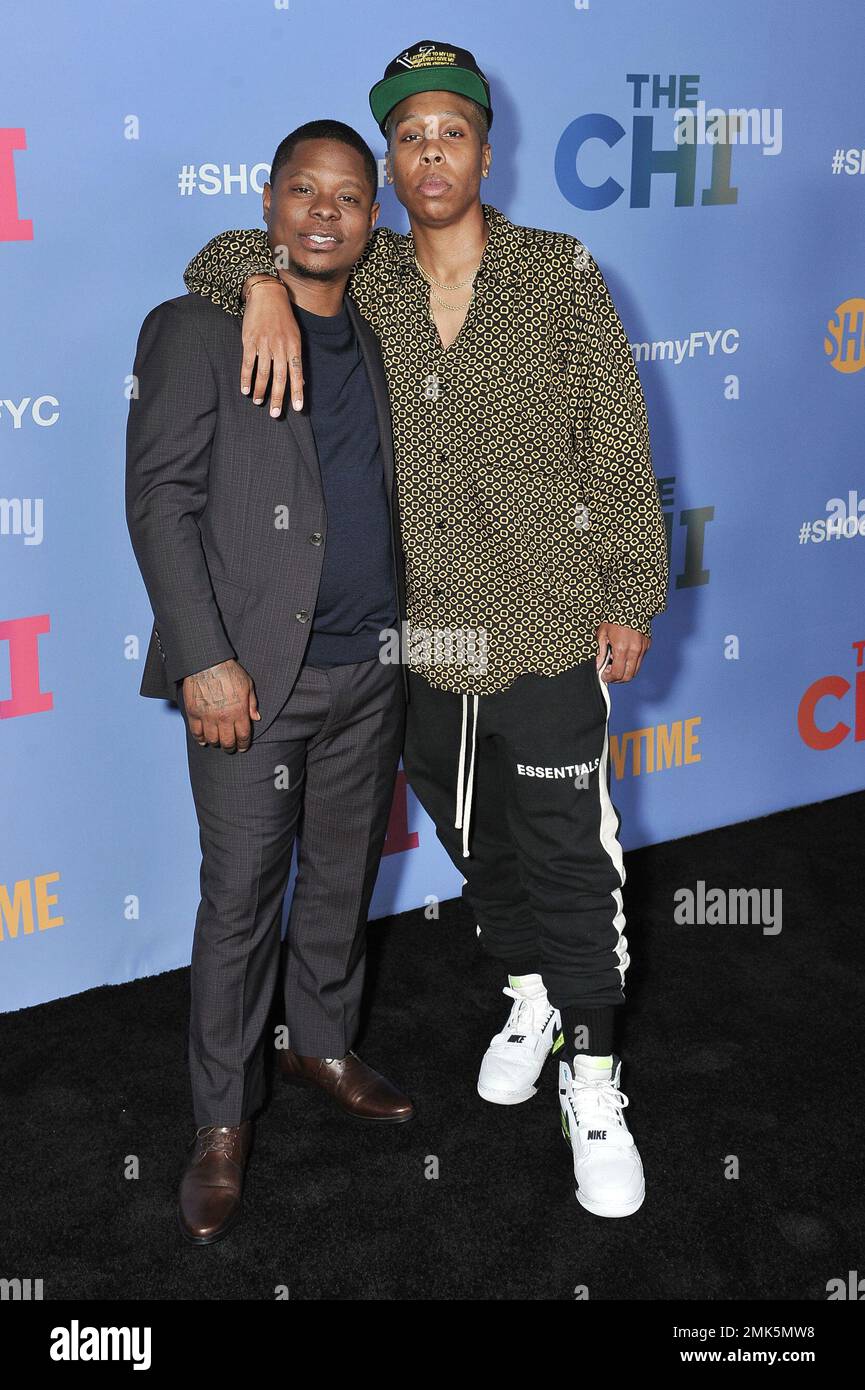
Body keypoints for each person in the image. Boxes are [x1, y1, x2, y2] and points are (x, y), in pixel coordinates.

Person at [181, 40, 670, 1218]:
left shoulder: (558, 270)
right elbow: (219, 252)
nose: (429, 152)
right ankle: (529, 990)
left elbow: (616, 434)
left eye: (450, 131)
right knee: (471, 843)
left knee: (567, 852)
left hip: (550, 623)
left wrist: (629, 590)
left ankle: (593, 1081)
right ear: (391, 165)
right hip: (422, 644)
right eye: (408, 137)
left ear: (486, 152)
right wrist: (256, 278)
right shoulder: (371, 278)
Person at [125, 120, 414, 1247]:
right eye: (305, 191)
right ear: (268, 200)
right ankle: (218, 1123)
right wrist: (204, 656)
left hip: (368, 666)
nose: (326, 212)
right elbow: (160, 503)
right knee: (240, 900)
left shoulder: (378, 337)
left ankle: (323, 1043)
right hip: (249, 677)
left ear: (370, 217)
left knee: (340, 877)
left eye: (348, 196)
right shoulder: (200, 327)